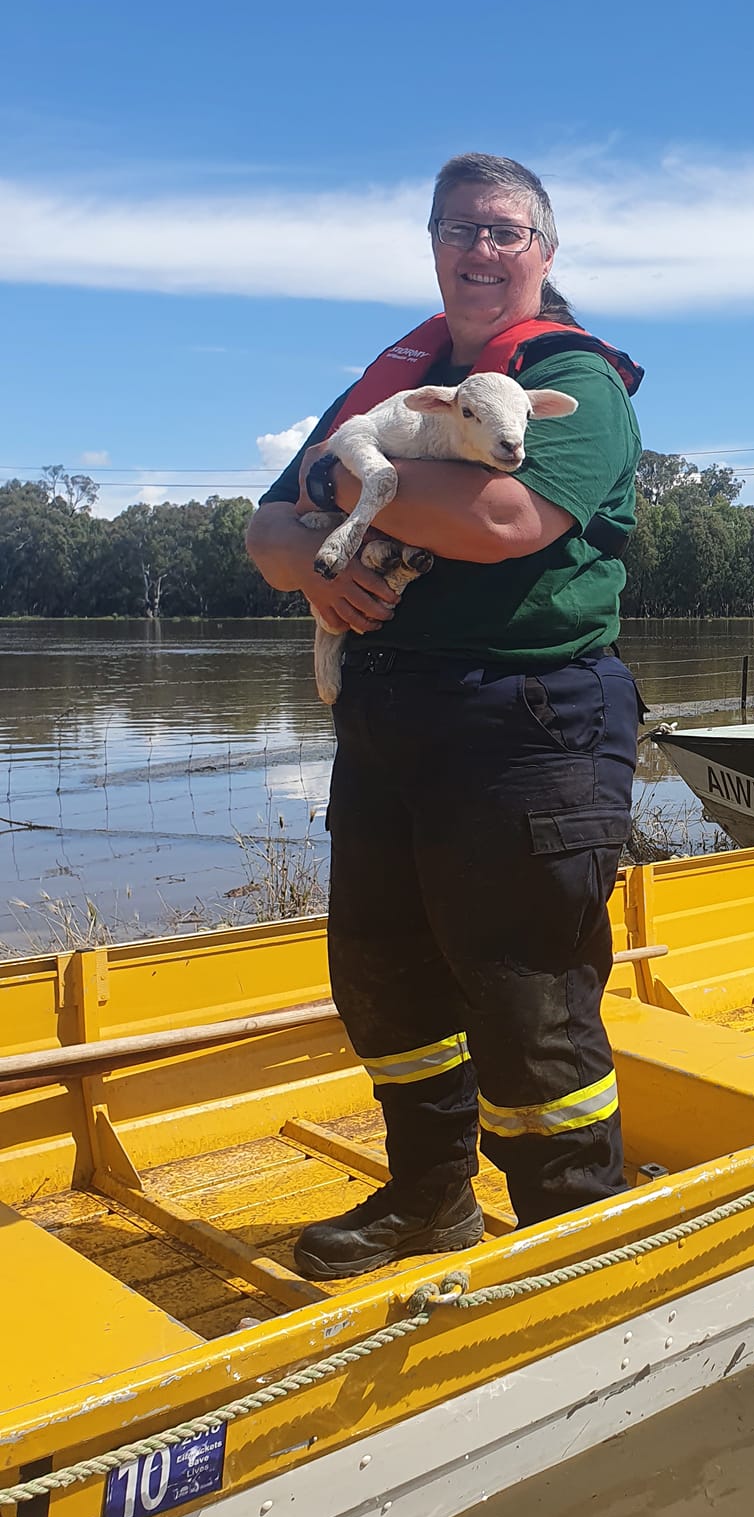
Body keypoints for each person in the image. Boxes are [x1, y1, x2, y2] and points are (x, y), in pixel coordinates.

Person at [245, 152, 644, 1279]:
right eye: (458, 230)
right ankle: (430, 1200)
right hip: (386, 719)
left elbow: (503, 515)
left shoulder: (576, 383)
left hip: (529, 722)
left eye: (505, 232)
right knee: (383, 973)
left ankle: (574, 1241)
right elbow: (263, 535)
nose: (479, 251)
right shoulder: (395, 386)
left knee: (529, 996)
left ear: (546, 253)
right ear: (432, 248)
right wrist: (319, 574)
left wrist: (340, 487)